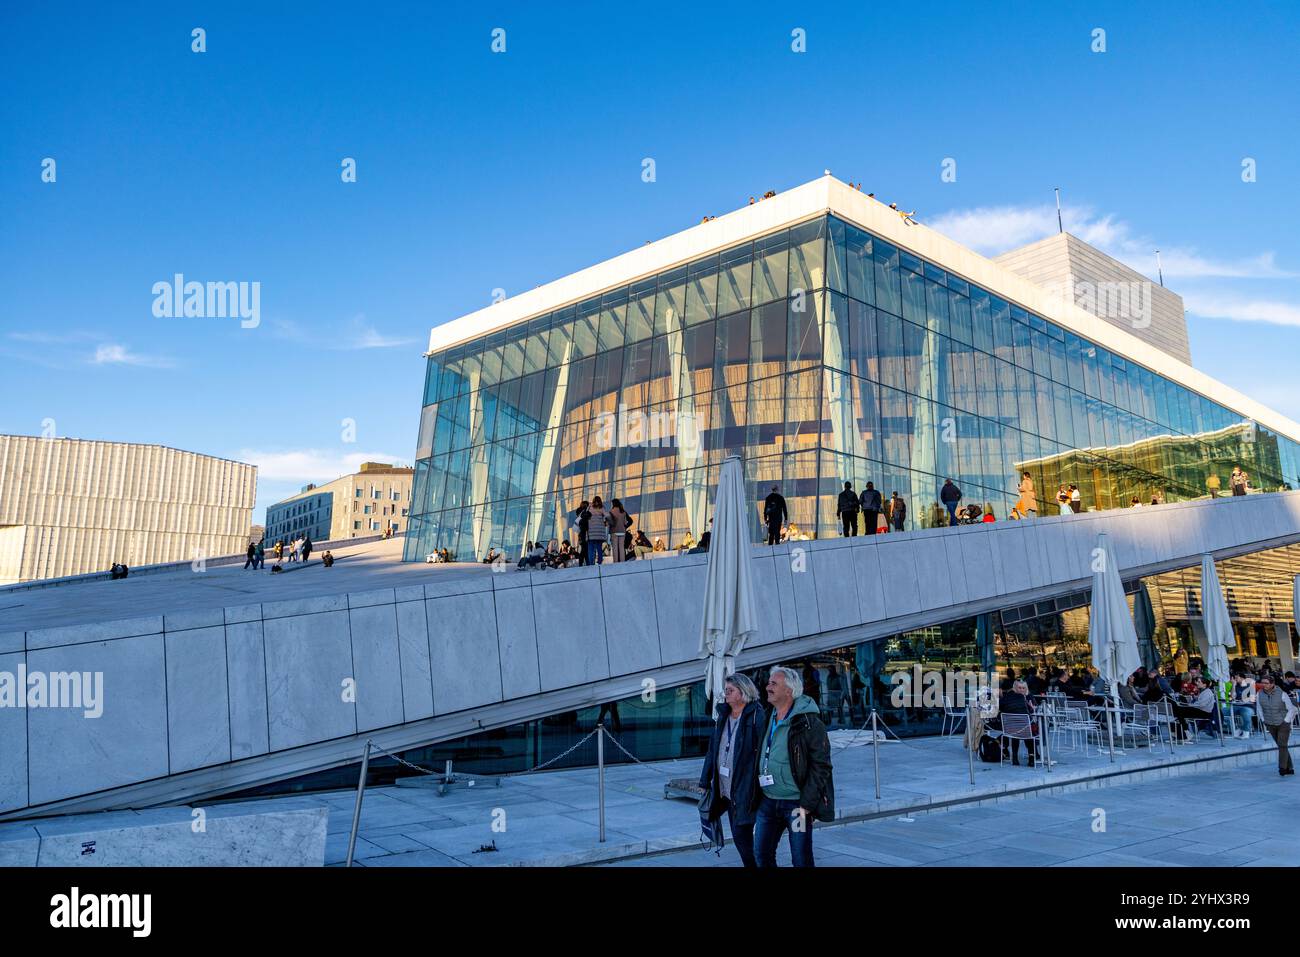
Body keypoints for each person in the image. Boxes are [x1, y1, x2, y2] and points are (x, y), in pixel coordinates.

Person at [753, 666, 834, 868]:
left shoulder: (810, 723)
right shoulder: (767, 716)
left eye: (774, 683)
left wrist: (807, 804)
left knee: (801, 858)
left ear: (788, 691)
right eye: (769, 682)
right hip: (768, 801)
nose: (767, 687)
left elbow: (821, 766)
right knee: (761, 854)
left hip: (796, 805)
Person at [698, 674, 765, 867]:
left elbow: (763, 752)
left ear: (743, 693)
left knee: (741, 836)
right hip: (725, 790)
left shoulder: (756, 716)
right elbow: (712, 750)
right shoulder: (723, 716)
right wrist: (704, 781)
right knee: (740, 838)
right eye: (725, 690)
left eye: (730, 690)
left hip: (745, 789)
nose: (725, 694)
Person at [1255, 673, 1297, 775]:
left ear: (1272, 684)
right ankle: (1290, 768)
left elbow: (1291, 709)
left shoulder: (1282, 694)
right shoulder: (1259, 694)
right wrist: (1264, 720)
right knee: (1282, 745)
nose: (1264, 685)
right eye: (1262, 683)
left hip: (1283, 723)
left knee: (1282, 745)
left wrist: (1286, 721)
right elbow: (1259, 708)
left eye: (1267, 683)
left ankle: (1282, 768)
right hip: (1270, 723)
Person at [996, 679, 1037, 766]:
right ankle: (1031, 758)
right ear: (1014, 688)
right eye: (1019, 688)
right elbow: (1032, 711)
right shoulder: (1025, 698)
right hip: (1024, 729)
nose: (1021, 690)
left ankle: (1015, 758)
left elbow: (999, 707)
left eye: (1023, 688)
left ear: (1026, 688)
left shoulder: (1006, 697)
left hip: (1010, 729)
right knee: (1029, 732)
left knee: (1017, 732)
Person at [581, 497, 610, 565]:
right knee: (599, 547)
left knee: (591, 548)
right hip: (599, 533)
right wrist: (606, 522)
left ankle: (591, 563)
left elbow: (584, 515)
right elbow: (607, 515)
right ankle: (599, 561)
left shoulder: (589, 507)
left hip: (591, 532)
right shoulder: (602, 508)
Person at [1230, 672, 1257, 737]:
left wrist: (1244, 700)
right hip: (1236, 706)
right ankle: (1235, 729)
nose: (1235, 679)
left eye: (1236, 678)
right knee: (1221, 711)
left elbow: (1253, 698)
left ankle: (1244, 731)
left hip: (1249, 706)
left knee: (1246, 713)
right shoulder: (1236, 686)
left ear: (1242, 678)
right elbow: (1232, 697)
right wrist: (1233, 685)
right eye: (1234, 678)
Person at [573, 500, 590, 566]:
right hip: (584, 532)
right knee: (584, 548)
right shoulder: (583, 512)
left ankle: (584, 562)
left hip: (581, 532)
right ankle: (583, 562)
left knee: (584, 548)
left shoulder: (579, 511)